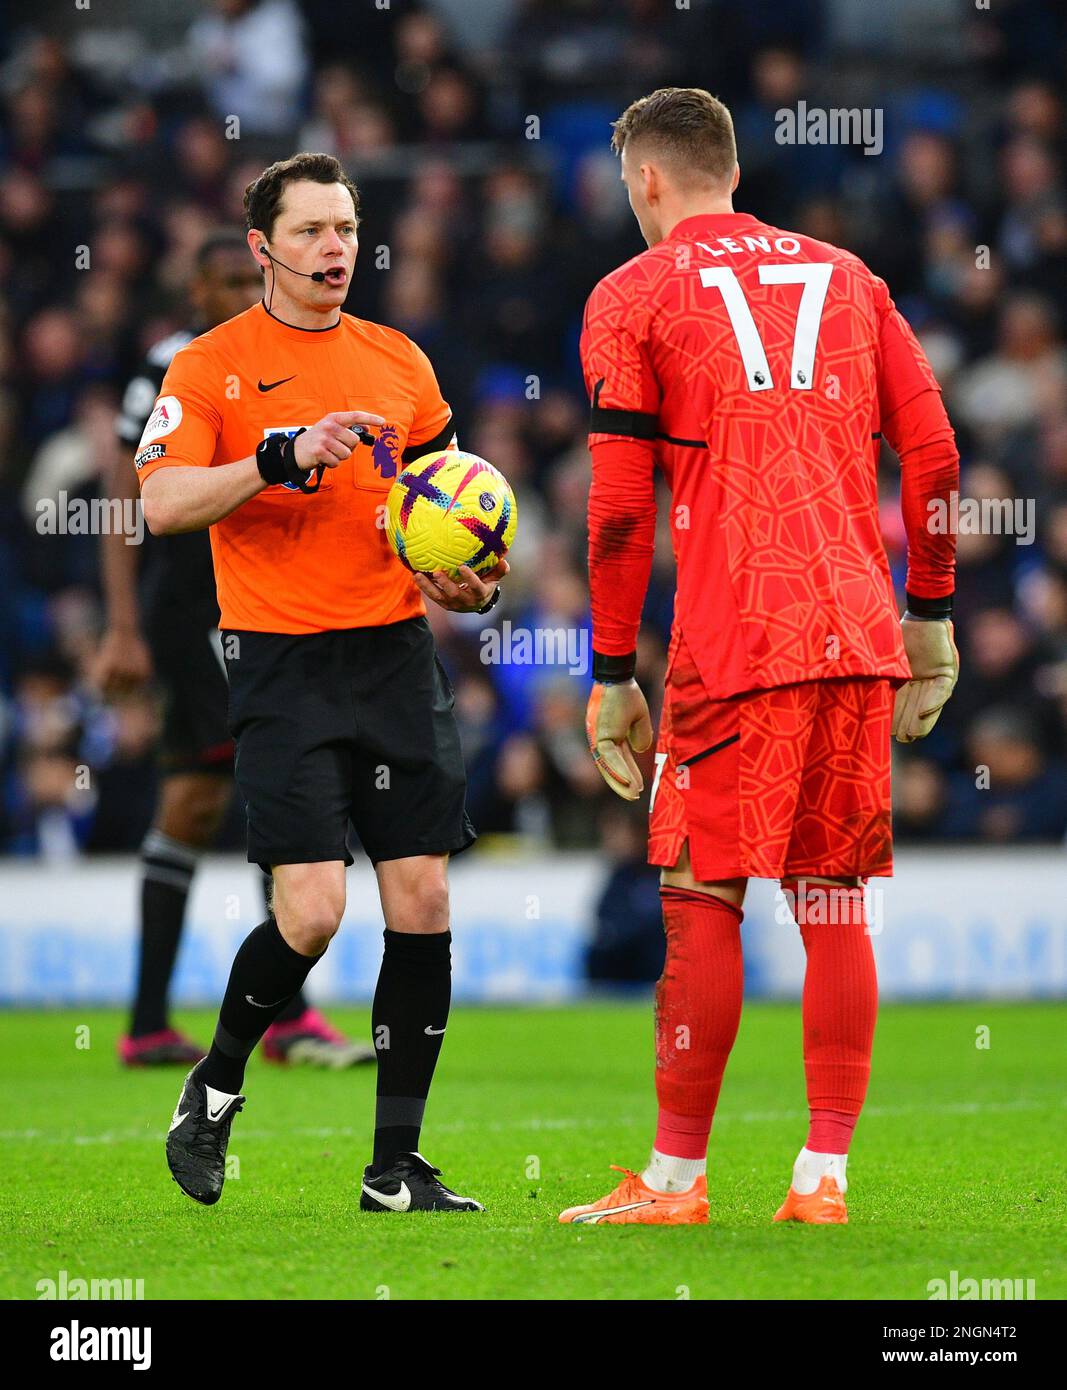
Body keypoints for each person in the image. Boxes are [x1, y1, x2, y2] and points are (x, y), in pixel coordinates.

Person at [560, 88, 959, 1226]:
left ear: (645, 179)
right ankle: (821, 1176)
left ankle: (676, 1180)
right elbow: (930, 456)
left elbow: (619, 513)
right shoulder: (848, 275)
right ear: (726, 168)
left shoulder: (630, 294)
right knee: (832, 904)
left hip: (734, 637)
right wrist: (925, 613)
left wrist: (606, 670)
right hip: (853, 628)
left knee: (701, 898)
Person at [137, 152, 505, 1212]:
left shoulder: (399, 362)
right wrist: (274, 457)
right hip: (282, 660)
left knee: (424, 896)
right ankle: (212, 1086)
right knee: (310, 911)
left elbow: (447, 504)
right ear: (261, 248)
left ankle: (395, 1166)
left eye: (343, 228)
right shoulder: (210, 367)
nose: (333, 248)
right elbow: (162, 506)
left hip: (392, 653)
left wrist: (470, 582)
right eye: (307, 231)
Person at [98, 229, 373, 1071]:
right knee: (228, 791)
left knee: (225, 794)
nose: (233, 292)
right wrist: (121, 625)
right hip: (190, 613)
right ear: (195, 289)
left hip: (270, 603)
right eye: (218, 281)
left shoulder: (289, 352)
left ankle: (250, 1020)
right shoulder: (174, 364)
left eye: (240, 278)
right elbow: (123, 489)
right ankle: (212, 1020)